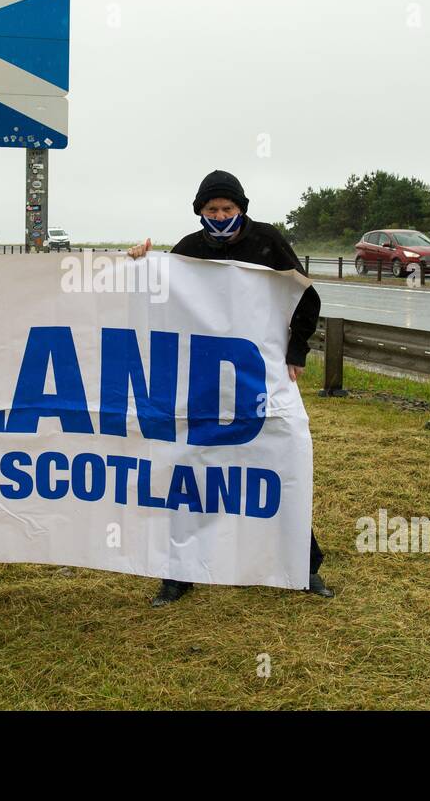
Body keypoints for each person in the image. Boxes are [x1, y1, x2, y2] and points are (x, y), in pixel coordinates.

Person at [127, 170, 334, 606]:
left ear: (241, 208)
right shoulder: (187, 250)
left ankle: (303, 565)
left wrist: (297, 349)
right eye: (211, 209)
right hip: (202, 379)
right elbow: (156, 292)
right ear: (200, 211)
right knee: (190, 467)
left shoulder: (268, 241)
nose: (220, 216)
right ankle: (177, 572)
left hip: (259, 378)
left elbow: (306, 297)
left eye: (227, 209)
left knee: (280, 459)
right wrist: (140, 262)